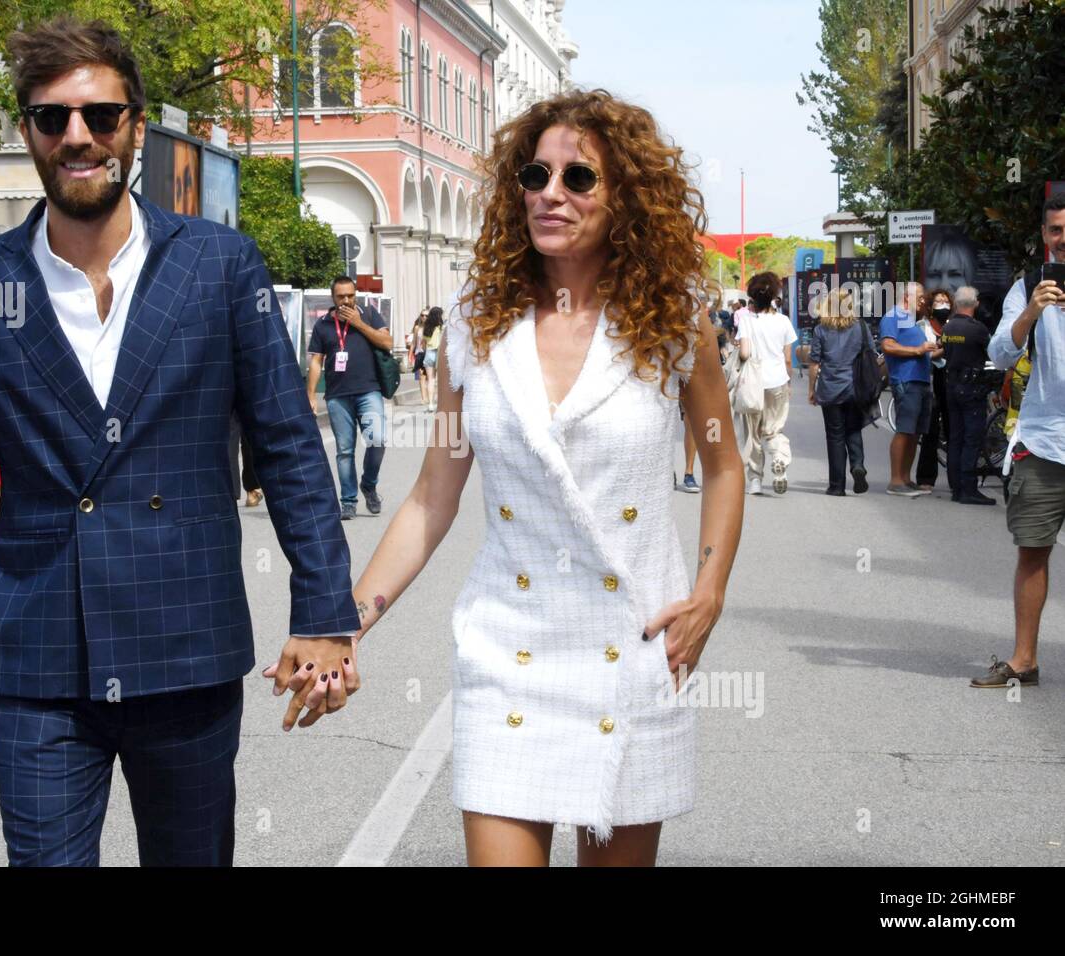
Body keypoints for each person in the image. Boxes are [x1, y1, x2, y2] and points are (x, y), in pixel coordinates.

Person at [0, 18, 360, 866]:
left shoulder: (221, 267)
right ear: (30, 132)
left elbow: (289, 448)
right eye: (51, 118)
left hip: (185, 647)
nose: (77, 136)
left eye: (100, 116)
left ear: (136, 129)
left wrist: (326, 613)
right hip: (39, 667)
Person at [276, 89, 744, 866]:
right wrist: (342, 625)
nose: (550, 193)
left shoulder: (672, 317)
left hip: (633, 648)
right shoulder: (476, 316)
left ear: (625, 195)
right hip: (509, 654)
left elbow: (723, 464)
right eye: (535, 175)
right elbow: (433, 495)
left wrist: (710, 593)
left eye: (579, 178)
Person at [974, 192, 1065, 688]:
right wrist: (1031, 310)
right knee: (1033, 549)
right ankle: (1024, 660)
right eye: (1055, 231)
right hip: (1045, 439)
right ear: (1044, 236)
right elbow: (1000, 353)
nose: (1062, 239)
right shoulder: (1028, 286)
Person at [305, 275, 392, 518]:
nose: (346, 300)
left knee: (377, 439)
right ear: (333, 298)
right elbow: (316, 362)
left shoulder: (369, 314)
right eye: (341, 296)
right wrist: (310, 395)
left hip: (368, 390)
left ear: (356, 294)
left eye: (351, 295)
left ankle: (369, 484)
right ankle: (349, 501)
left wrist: (359, 324)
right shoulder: (323, 325)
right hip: (337, 395)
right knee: (344, 451)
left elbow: (387, 342)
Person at [735, 271, 797, 495]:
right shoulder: (783, 321)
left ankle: (755, 481)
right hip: (777, 381)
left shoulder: (746, 321)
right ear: (774, 296)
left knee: (752, 434)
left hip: (753, 384)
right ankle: (780, 457)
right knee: (773, 430)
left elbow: (744, 353)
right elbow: (788, 357)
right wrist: (788, 382)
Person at [807, 288, 872, 495]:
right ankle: (858, 465)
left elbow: (814, 363)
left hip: (830, 388)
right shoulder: (861, 326)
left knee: (835, 436)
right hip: (855, 387)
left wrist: (812, 389)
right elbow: (871, 353)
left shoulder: (820, 329)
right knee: (853, 429)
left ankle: (837, 486)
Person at [879, 282, 941, 496]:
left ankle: (905, 478)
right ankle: (896, 480)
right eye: (921, 296)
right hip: (906, 381)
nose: (923, 301)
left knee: (914, 432)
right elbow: (887, 345)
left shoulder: (911, 321)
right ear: (907, 296)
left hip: (920, 380)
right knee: (905, 430)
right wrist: (918, 350)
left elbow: (922, 352)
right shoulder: (893, 316)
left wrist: (937, 351)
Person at [941, 286, 995, 505]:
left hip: (951, 385)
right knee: (972, 439)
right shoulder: (978, 329)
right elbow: (993, 353)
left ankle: (956, 487)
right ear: (976, 304)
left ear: (955, 304)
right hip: (972, 388)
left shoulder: (948, 327)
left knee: (955, 438)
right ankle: (968, 489)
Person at [915, 288, 952, 492]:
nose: (943, 305)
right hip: (929, 379)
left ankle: (957, 480)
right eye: (938, 302)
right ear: (930, 306)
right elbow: (923, 354)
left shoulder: (953, 327)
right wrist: (941, 351)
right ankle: (926, 477)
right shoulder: (921, 327)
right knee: (930, 430)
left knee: (953, 429)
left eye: (946, 302)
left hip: (950, 380)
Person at [421, 306, 444, 412]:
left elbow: (424, 343)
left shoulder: (426, 327)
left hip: (429, 352)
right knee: (441, 379)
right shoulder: (441, 327)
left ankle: (430, 403)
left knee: (430, 379)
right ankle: (441, 403)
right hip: (439, 352)